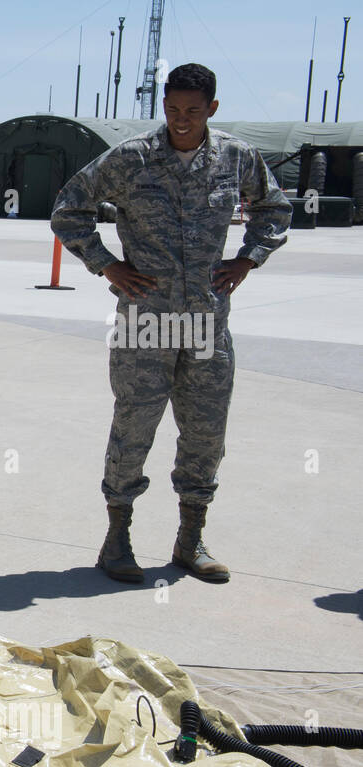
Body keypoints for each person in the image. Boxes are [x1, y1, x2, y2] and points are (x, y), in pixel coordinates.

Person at [50, 63, 291, 585]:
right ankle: (117, 540)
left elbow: (275, 207)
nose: (181, 121)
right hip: (145, 323)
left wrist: (249, 257)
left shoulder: (236, 157)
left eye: (193, 111)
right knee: (133, 429)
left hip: (207, 324)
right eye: (173, 110)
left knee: (205, 433)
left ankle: (190, 541)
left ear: (212, 109)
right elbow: (69, 208)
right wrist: (106, 264)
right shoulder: (131, 158)